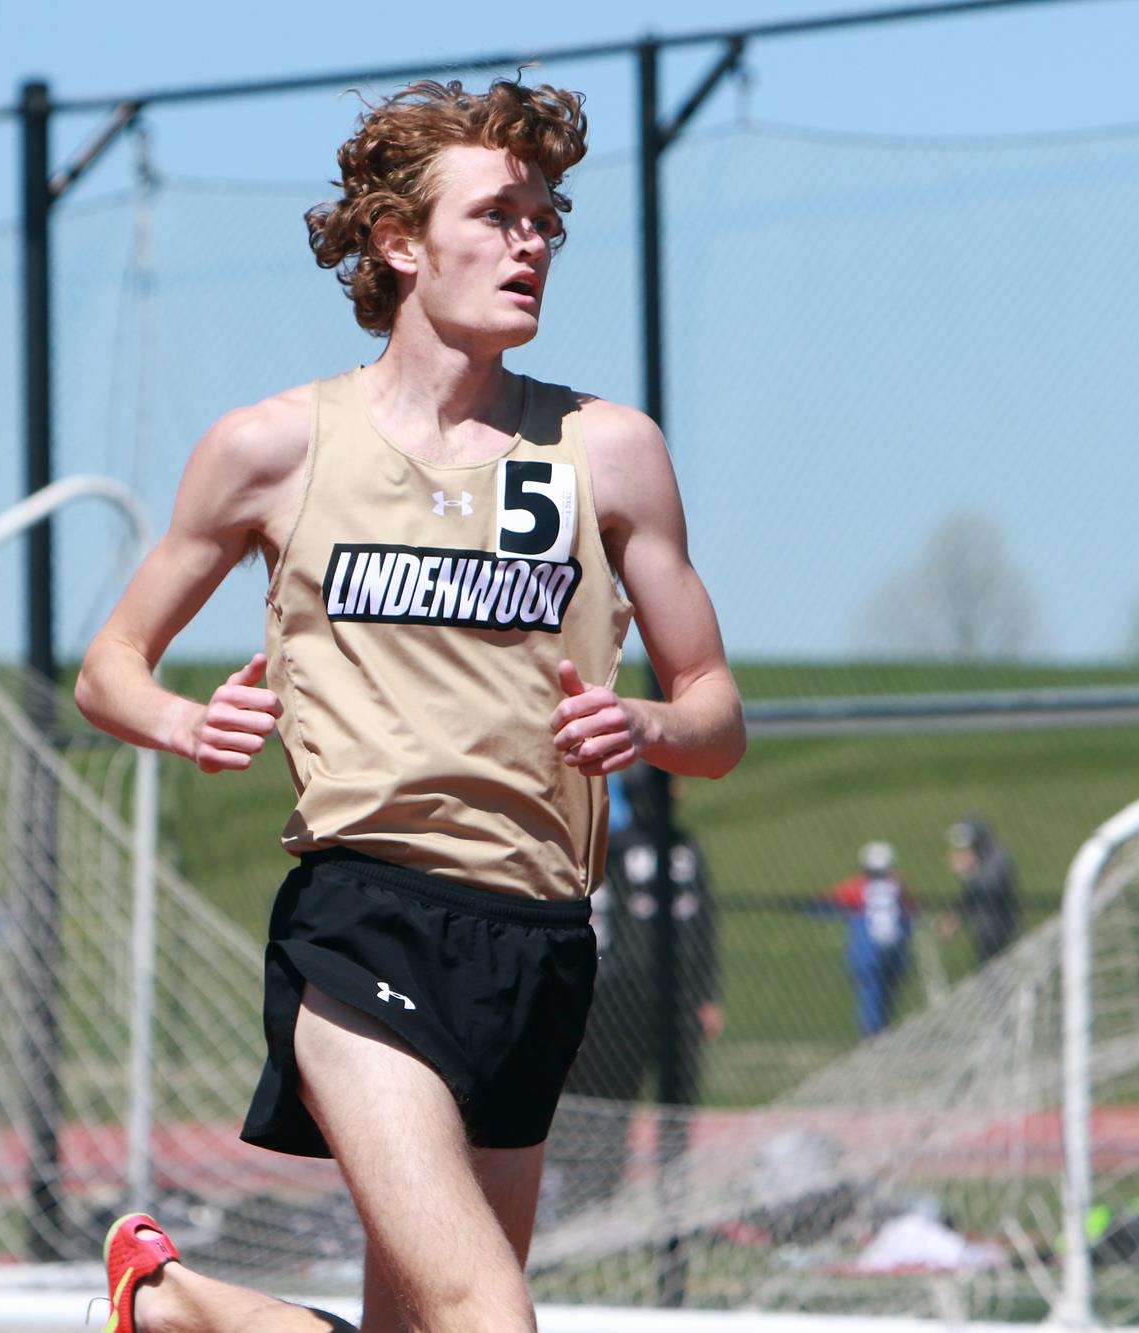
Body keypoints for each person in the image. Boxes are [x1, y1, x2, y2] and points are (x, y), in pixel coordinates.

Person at [73, 78, 744, 1333]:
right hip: (365, 919)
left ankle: (176, 1307)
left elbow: (714, 712)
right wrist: (179, 720)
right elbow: (108, 666)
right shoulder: (273, 448)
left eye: (546, 217)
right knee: (489, 1313)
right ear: (398, 242)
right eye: (496, 215)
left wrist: (647, 725)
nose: (531, 241)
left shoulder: (606, 451)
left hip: (542, 936)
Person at [548, 762, 721, 1213]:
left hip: (680, 989)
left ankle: (674, 1190)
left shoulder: (686, 847)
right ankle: (594, 1191)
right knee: (612, 1090)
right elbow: (607, 923)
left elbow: (706, 923)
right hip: (625, 991)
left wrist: (708, 994)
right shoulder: (618, 848)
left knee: (679, 1095)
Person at [828, 841, 916, 1038]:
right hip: (895, 954)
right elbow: (912, 914)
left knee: (871, 998)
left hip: (866, 953)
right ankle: (880, 1034)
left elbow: (828, 904)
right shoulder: (898, 886)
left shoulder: (858, 887)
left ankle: (873, 1037)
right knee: (884, 998)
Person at [941, 816, 1020, 965]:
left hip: (1000, 926)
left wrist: (969, 870)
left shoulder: (997, 856)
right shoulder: (979, 857)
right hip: (984, 928)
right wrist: (956, 916)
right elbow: (971, 895)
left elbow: (990, 889)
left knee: (1000, 969)